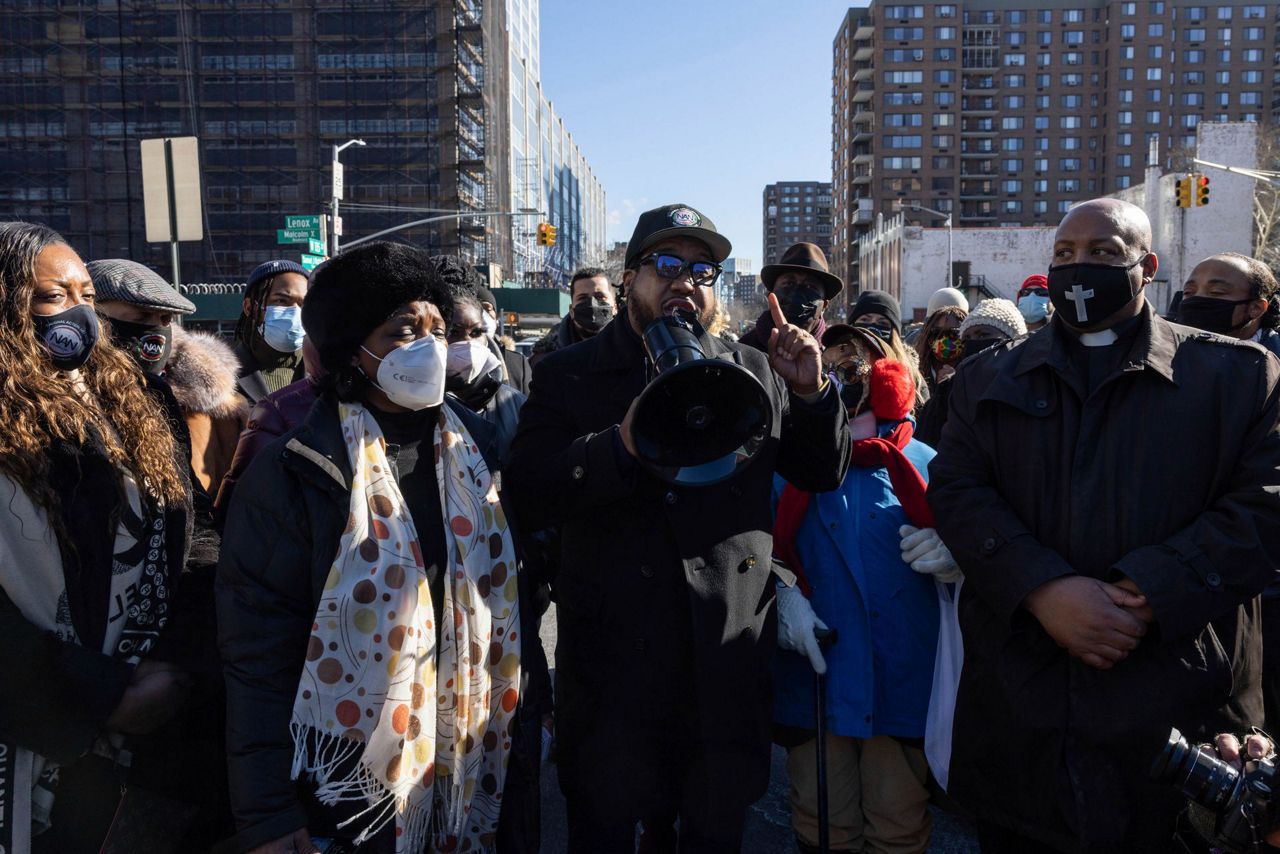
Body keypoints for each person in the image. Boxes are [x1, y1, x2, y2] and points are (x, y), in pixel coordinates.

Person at [928, 197, 1280, 852]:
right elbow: (956, 490)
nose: (1079, 266)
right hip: (1024, 721)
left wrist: (1150, 591)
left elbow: (1267, 503)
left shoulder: (1237, 376)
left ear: (1146, 267)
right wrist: (1042, 589)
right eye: (1064, 254)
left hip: (1183, 725)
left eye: (1103, 253)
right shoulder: (988, 378)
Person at [505, 203, 850, 853]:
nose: (685, 281)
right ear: (631, 277)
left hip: (723, 672)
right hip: (614, 683)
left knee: (713, 834)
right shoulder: (567, 375)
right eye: (666, 264)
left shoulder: (754, 370)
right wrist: (620, 447)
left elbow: (821, 472)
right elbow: (529, 493)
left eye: (702, 269)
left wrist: (810, 393)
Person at [216, 242, 522, 854]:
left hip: (472, 761)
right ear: (349, 349)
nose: (428, 347)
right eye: (403, 330)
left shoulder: (480, 452)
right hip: (347, 794)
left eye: (437, 328)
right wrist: (268, 813)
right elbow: (257, 656)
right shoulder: (294, 471)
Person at [0, 222, 194, 853]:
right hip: (35, 727)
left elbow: (180, 540)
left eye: (87, 294)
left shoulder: (128, 406)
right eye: (54, 296)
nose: (79, 314)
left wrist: (177, 669)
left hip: (121, 750)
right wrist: (98, 695)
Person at [772, 323, 959, 854]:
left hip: (902, 682)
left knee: (897, 821)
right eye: (834, 365)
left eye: (859, 366)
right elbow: (751, 548)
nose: (846, 376)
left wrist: (959, 555)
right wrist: (780, 590)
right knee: (819, 819)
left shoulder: (929, 465)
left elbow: (986, 545)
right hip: (815, 684)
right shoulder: (787, 464)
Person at [89, 258, 248, 494]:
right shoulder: (52, 403)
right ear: (91, 317)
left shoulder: (212, 411)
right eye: (141, 318)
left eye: (165, 319)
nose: (156, 329)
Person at [915, 298, 1026, 449]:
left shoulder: (1033, 387)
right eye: (966, 338)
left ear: (1012, 339)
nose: (973, 343)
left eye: (983, 335)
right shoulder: (949, 391)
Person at [739, 242, 842, 352]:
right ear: (770, 296)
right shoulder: (741, 352)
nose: (797, 294)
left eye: (810, 286)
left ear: (825, 305)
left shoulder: (837, 356)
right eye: (789, 284)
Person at [232, 259, 308, 405]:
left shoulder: (328, 374)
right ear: (249, 308)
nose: (295, 313)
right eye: (281, 301)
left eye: (303, 304)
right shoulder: (223, 379)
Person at [1179, 251, 1280, 357]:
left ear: (1256, 308)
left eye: (1216, 292)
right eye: (1188, 292)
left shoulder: (1274, 363)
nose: (1197, 298)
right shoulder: (1167, 352)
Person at [849, 289, 929, 411]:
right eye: (865, 320)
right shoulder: (833, 364)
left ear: (894, 334)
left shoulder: (911, 376)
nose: (872, 327)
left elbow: (924, 421)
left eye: (882, 323)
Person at [529, 266, 618, 367]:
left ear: (615, 307)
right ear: (571, 311)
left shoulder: (636, 353)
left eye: (600, 296)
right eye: (582, 298)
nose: (592, 303)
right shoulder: (545, 362)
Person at [475, 282, 533, 394]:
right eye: (476, 308)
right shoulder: (455, 360)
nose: (482, 315)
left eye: (487, 308)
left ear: (495, 318)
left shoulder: (517, 363)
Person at [913, 293, 968, 396]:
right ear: (927, 334)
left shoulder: (973, 373)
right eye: (936, 333)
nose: (944, 340)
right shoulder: (914, 371)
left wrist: (957, 384)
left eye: (954, 333)